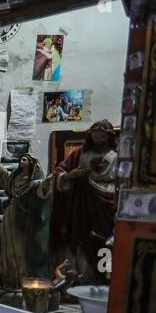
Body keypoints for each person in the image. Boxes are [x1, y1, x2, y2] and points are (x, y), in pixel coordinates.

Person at [39, 120, 118, 285]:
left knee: (103, 241)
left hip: (107, 207)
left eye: (102, 133)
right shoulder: (79, 154)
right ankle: (77, 279)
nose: (98, 135)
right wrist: (69, 176)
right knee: (80, 239)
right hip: (81, 205)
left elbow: (124, 181)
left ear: (109, 135)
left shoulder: (117, 156)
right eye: (95, 132)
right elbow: (60, 172)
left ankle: (103, 280)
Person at [0, 155, 50, 290]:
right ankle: (9, 279)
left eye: (25, 159)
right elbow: (4, 177)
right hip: (10, 214)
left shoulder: (34, 182)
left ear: (32, 163)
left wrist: (47, 184)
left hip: (24, 218)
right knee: (8, 247)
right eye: (21, 159)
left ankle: (22, 280)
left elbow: (42, 192)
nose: (21, 162)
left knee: (21, 249)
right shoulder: (14, 178)